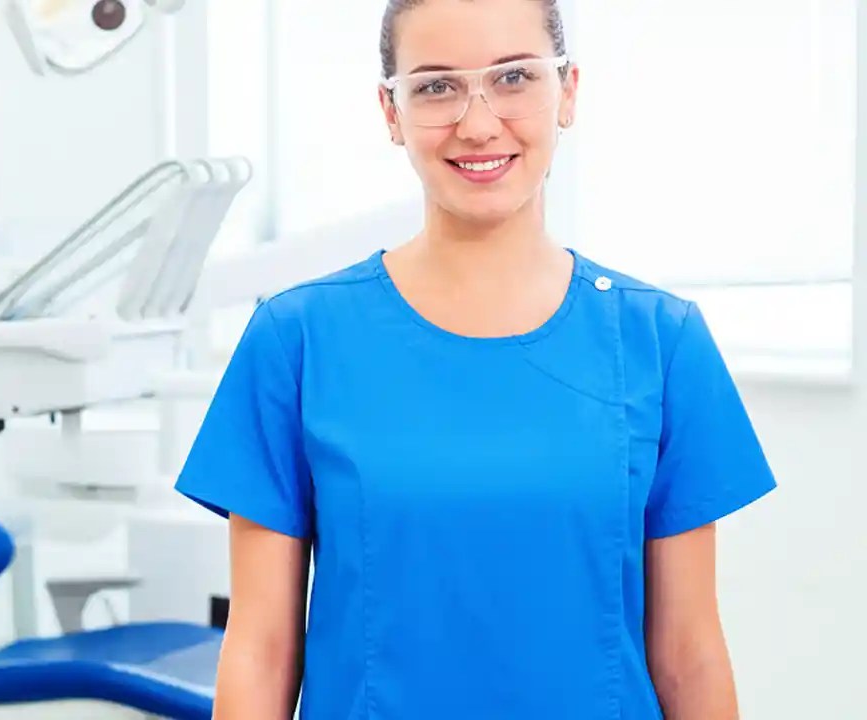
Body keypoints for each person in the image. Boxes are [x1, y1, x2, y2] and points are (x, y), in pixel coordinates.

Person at [174, 0, 778, 718]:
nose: (479, 122)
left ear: (569, 92)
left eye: (515, 77)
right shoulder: (296, 340)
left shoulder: (659, 341)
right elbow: (261, 649)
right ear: (390, 112)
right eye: (436, 86)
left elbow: (690, 652)